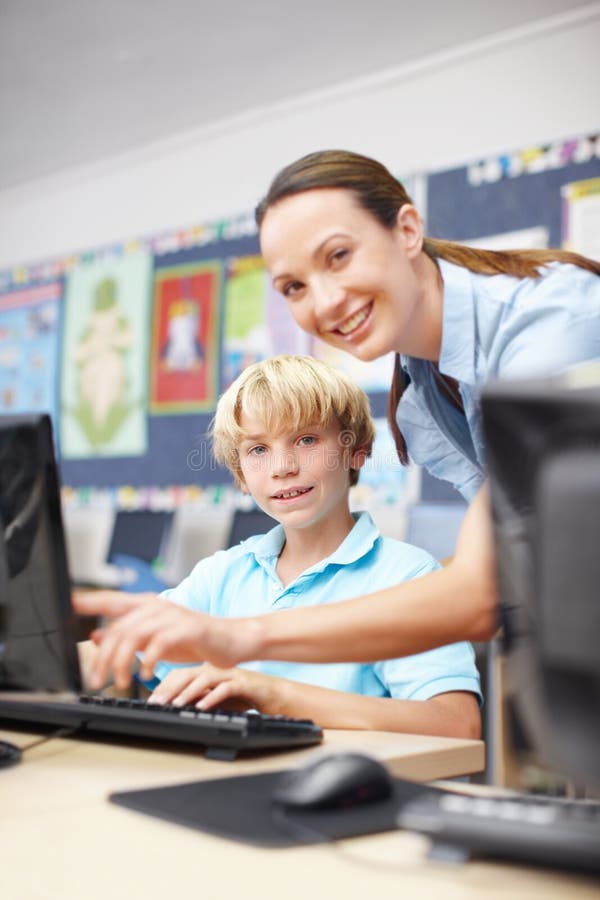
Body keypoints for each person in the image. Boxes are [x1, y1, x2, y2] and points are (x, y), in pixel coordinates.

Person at [75, 149, 600, 688]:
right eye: (294, 287)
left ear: (408, 230)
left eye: (339, 255)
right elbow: (515, 552)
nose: (323, 303)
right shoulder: (424, 393)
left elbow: (480, 592)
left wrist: (241, 638)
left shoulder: (550, 320)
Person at [81, 355, 482, 737]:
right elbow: (117, 655)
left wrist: (275, 695)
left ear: (356, 450)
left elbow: (456, 724)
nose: (282, 467)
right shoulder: (223, 574)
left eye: (306, 439)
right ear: (240, 474)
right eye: (258, 449)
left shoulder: (408, 576)